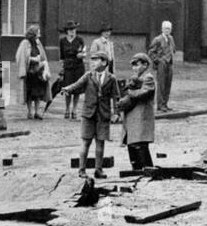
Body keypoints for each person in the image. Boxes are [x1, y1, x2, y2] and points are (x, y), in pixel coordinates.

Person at [62, 50, 120, 178]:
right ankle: (81, 170)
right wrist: (67, 89)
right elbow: (77, 85)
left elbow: (116, 97)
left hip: (103, 115)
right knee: (85, 142)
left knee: (100, 142)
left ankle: (98, 169)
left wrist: (116, 112)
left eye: (95, 60)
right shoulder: (88, 76)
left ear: (104, 62)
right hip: (88, 114)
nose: (92, 63)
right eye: (91, 60)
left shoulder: (111, 78)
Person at [118, 53, 157, 170]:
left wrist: (129, 92)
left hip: (142, 117)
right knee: (132, 146)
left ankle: (147, 172)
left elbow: (143, 93)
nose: (134, 68)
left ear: (145, 65)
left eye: (137, 65)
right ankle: (137, 172)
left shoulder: (148, 77)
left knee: (140, 145)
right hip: (132, 118)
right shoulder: (134, 79)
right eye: (133, 66)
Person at [15, 24, 52, 119]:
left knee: (38, 93)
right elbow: (20, 56)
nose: (39, 33)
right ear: (34, 33)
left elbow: (43, 56)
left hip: (39, 72)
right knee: (29, 93)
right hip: (29, 72)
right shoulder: (25, 43)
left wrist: (43, 64)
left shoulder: (38, 43)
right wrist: (33, 59)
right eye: (38, 31)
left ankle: (37, 111)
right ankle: (30, 111)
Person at [57, 21, 86, 120]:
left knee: (77, 89)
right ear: (66, 31)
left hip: (78, 67)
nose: (72, 32)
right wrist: (61, 69)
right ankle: (67, 109)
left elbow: (84, 52)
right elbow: (61, 57)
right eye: (70, 30)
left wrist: (82, 55)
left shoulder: (80, 40)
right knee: (67, 89)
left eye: (74, 29)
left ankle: (74, 110)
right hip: (68, 68)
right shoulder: (62, 41)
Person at [147, 21, 175, 112]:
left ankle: (165, 104)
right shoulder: (158, 39)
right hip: (162, 64)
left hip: (170, 63)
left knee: (168, 84)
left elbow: (173, 49)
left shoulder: (171, 38)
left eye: (169, 29)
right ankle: (160, 105)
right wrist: (158, 61)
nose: (167, 30)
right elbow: (151, 52)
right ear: (162, 29)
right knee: (161, 84)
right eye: (166, 28)